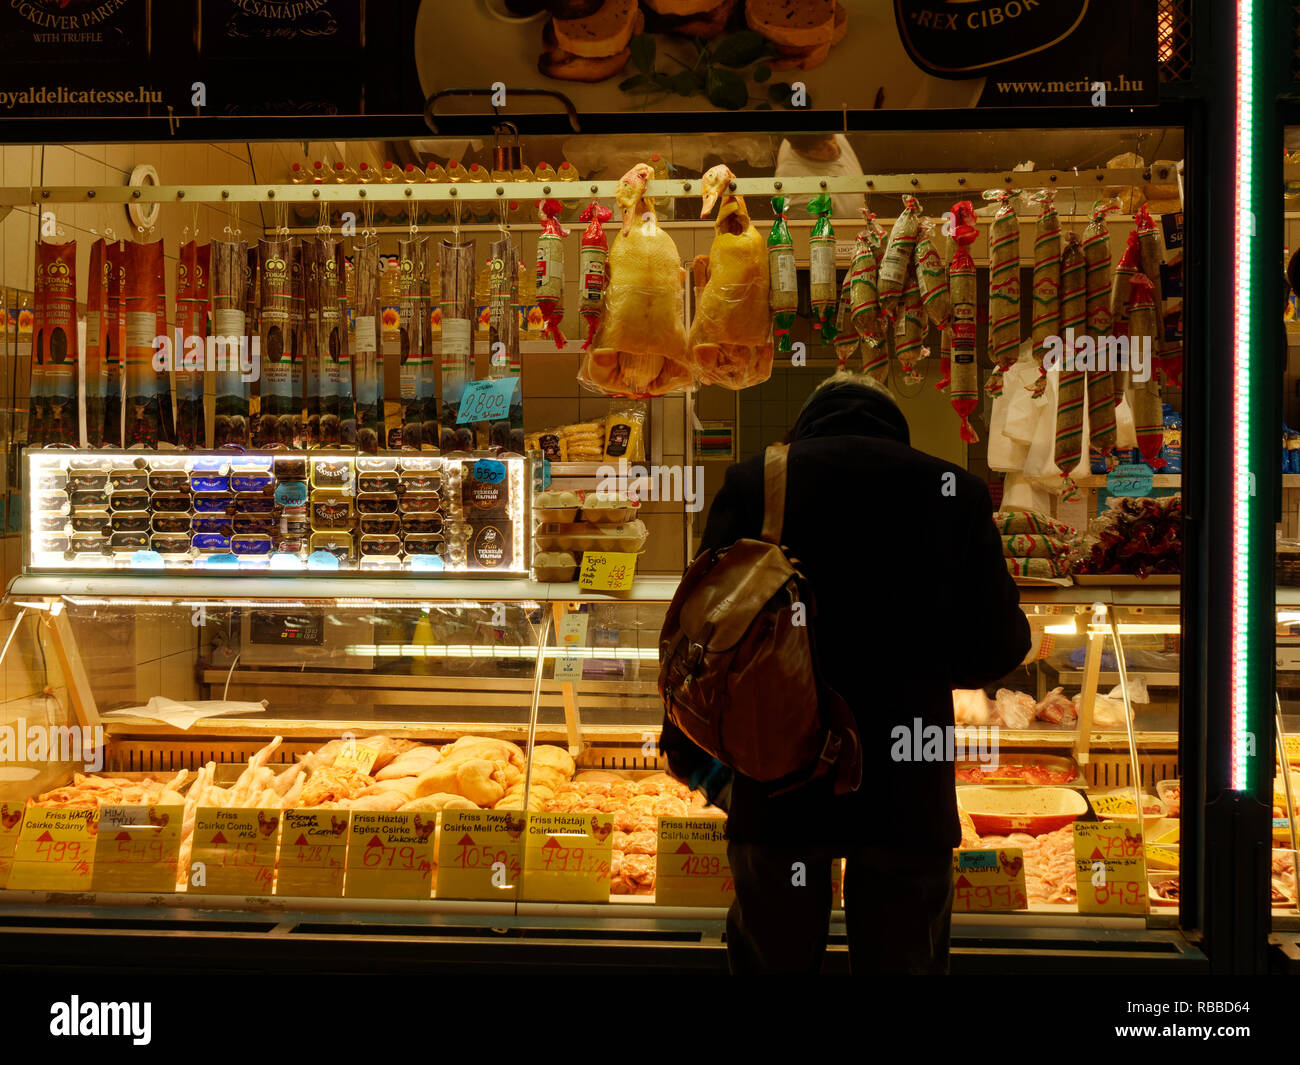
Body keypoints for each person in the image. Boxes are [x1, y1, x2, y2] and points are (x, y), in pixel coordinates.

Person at [660, 373, 1031, 975]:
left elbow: (700, 635)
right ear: (895, 428)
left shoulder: (755, 481)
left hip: (778, 777)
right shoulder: (954, 491)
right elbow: (995, 649)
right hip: (905, 790)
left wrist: (697, 760)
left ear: (806, 423)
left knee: (773, 966)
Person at [774, 134, 866, 220]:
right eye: (821, 148)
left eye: (831, 138)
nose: (833, 147)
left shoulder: (823, 136)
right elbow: (805, 233)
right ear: (802, 152)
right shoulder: (798, 196)